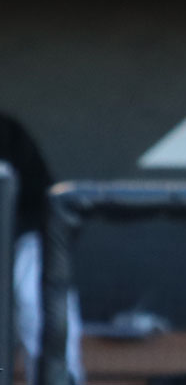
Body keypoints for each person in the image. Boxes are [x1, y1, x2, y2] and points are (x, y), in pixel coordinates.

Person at [1, 112, 85, 385]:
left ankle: (60, 380)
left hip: (19, 243)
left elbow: (48, 208)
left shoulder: (6, 132)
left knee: (32, 288)